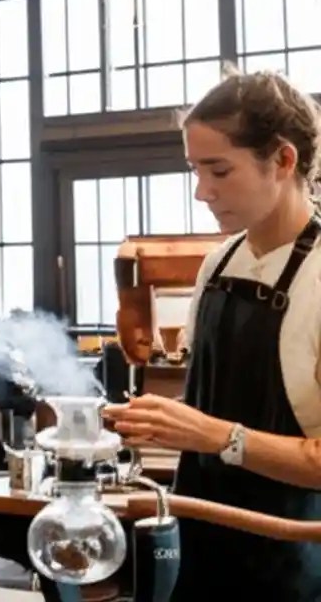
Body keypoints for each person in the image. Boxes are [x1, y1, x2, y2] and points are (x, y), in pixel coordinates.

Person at [103, 70, 321, 600]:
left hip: (293, 569)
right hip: (201, 557)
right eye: (195, 171)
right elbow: (210, 405)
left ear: (284, 161)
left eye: (219, 170)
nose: (202, 192)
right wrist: (160, 422)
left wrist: (217, 437)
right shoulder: (218, 264)